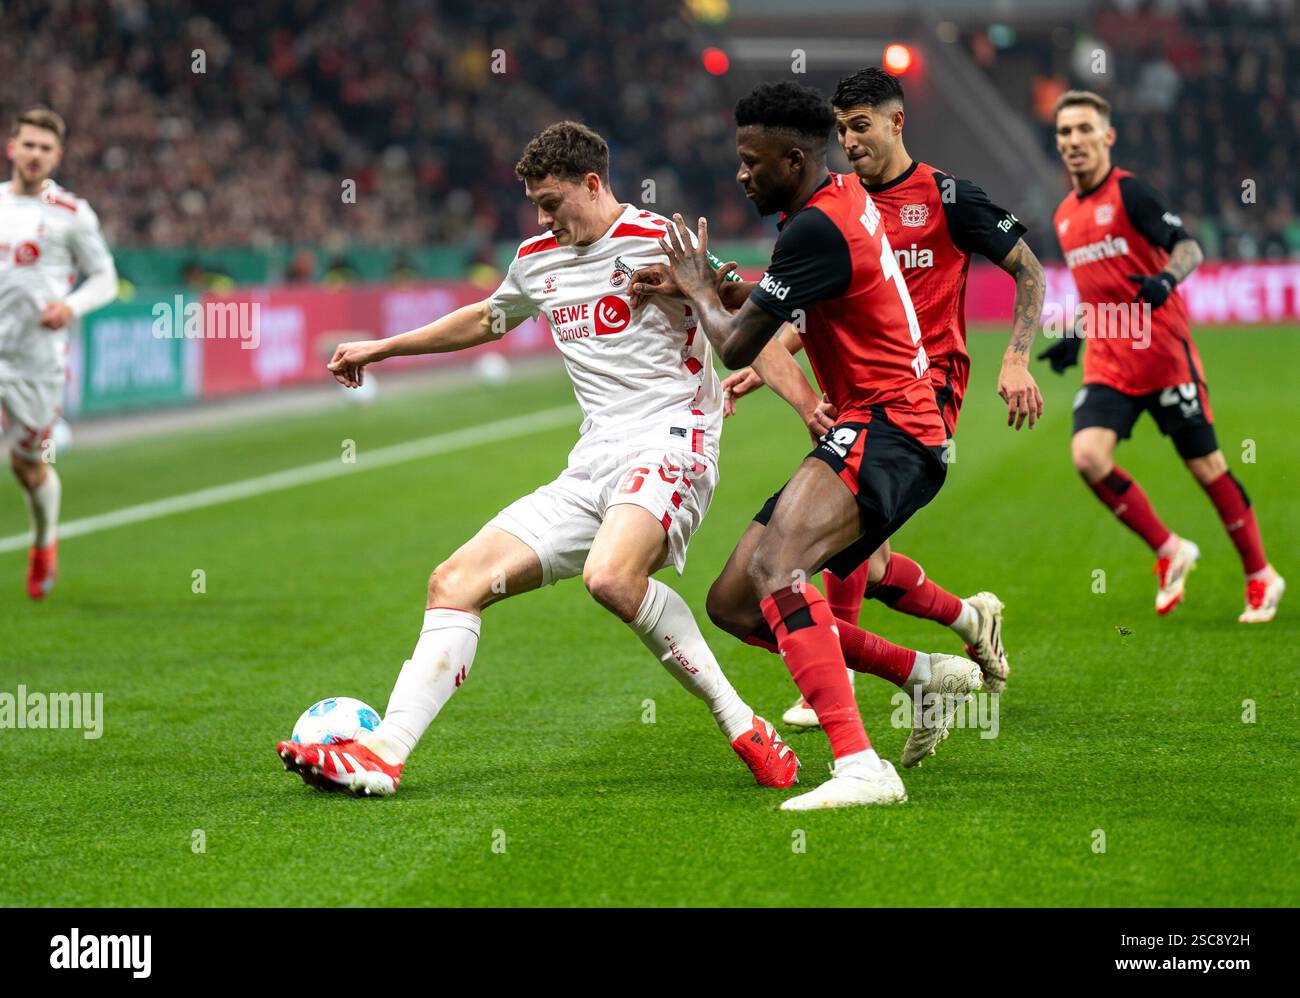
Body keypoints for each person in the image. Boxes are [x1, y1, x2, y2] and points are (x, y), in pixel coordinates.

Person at [277, 122, 799, 797]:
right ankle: (383, 755)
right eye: (535, 205)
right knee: (454, 582)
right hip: (593, 461)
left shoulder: (662, 242)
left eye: (554, 202)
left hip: (673, 442)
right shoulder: (538, 257)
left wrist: (803, 400)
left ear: (592, 184)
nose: (545, 218)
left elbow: (760, 317)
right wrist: (382, 348)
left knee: (610, 577)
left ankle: (742, 724)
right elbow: (487, 318)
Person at [637, 83, 982, 810]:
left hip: (894, 426)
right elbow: (773, 299)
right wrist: (711, 284)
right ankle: (920, 674)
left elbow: (735, 346)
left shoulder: (814, 228)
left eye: (750, 162)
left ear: (793, 158)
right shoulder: (835, 202)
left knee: (777, 570)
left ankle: (861, 767)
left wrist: (699, 284)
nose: (740, 175)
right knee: (734, 603)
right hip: (880, 423)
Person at [719, 67, 1044, 728]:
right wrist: (774, 357)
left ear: (897, 122)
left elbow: (1028, 271)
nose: (850, 140)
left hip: (922, 392)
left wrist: (1016, 358)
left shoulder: (948, 196)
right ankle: (962, 622)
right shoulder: (845, 202)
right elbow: (823, 306)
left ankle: (843, 687)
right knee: (860, 557)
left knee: (824, 540)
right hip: (858, 392)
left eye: (861, 125)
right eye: (840, 129)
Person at [1042, 90, 1283, 622]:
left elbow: (1189, 247)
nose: (1074, 141)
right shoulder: (1063, 216)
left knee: (1208, 469)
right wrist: (1075, 335)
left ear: (1107, 137)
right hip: (1109, 360)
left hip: (1163, 356)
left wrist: (1166, 279)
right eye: (1064, 132)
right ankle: (1170, 549)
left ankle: (1260, 574)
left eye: (1084, 129)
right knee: (1088, 457)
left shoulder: (1132, 195)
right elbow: (1098, 291)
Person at [0, 108, 118, 599]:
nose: (35, 155)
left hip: (36, 362)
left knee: (26, 467)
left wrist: (70, 307)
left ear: (57, 156)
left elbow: (105, 278)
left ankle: (44, 542)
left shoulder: (72, 212)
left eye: (45, 148)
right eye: (28, 144)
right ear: (11, 147)